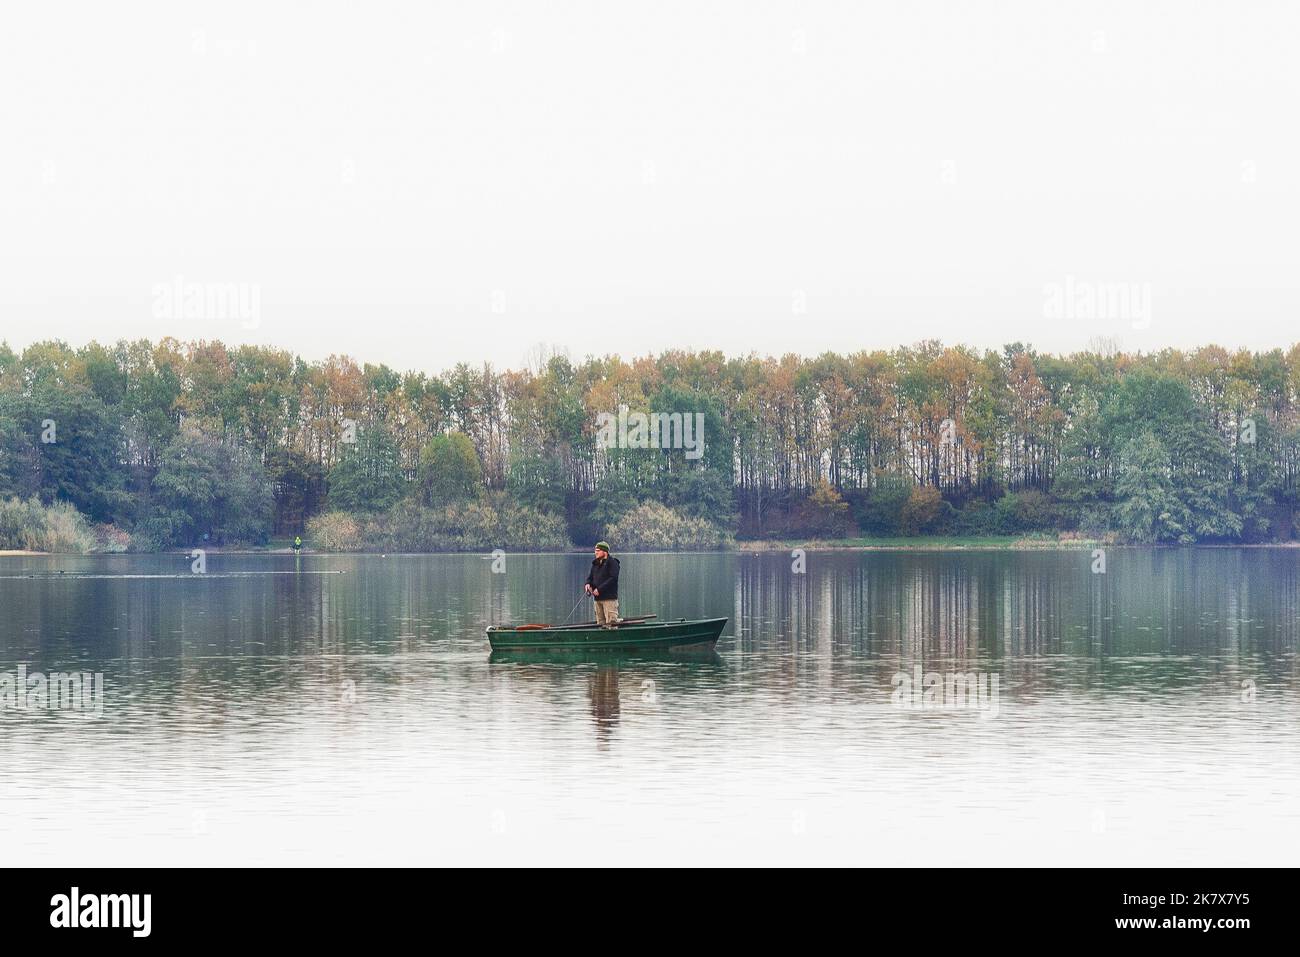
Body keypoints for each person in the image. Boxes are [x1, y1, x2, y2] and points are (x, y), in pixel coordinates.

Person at [584, 541, 620, 627]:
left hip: (609, 599)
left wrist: (599, 589)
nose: (595, 552)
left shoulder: (613, 563)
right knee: (600, 624)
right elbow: (590, 577)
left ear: (605, 552)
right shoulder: (595, 564)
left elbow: (613, 579)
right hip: (598, 599)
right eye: (595, 550)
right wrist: (588, 584)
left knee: (611, 624)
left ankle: (612, 639)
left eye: (598, 550)